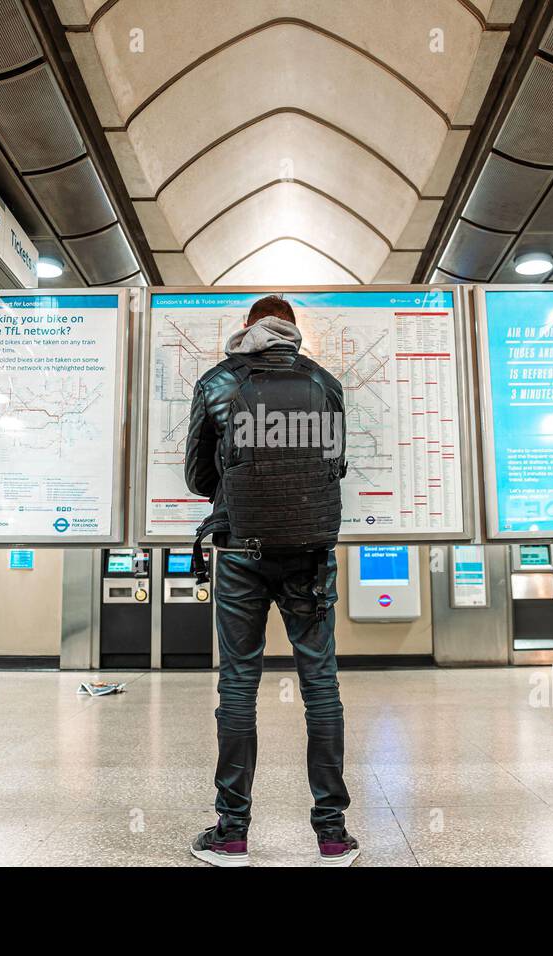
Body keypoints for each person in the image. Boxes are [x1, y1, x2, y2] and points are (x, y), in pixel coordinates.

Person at [184, 294, 359, 867]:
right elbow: (335, 465)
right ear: (291, 329)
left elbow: (197, 477)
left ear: (248, 328)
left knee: (238, 685)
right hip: (310, 554)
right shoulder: (324, 382)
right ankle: (332, 835)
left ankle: (232, 833)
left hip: (240, 550)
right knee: (321, 685)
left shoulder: (217, 382)